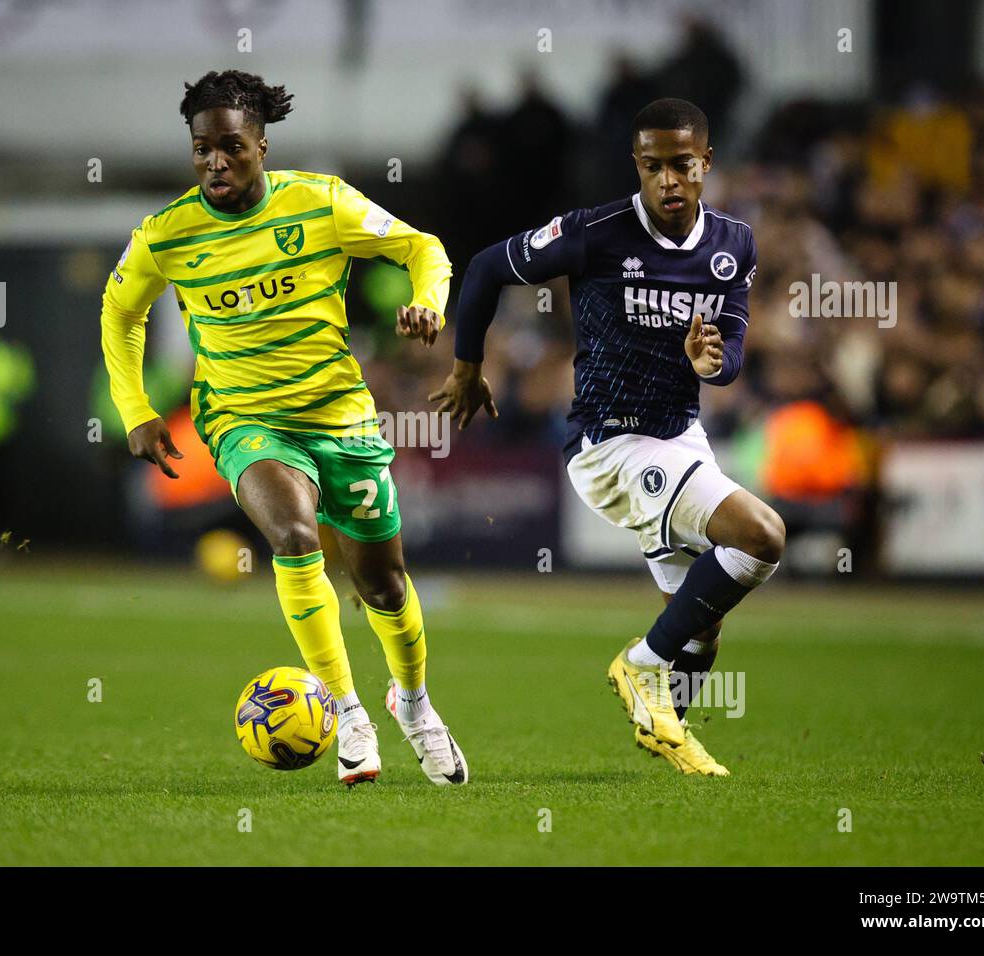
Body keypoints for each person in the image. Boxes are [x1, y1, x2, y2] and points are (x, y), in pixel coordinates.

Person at [100, 70, 466, 786]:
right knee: (295, 536)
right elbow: (120, 314)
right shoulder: (166, 235)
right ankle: (349, 710)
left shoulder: (321, 203)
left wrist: (428, 300)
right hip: (243, 418)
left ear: (261, 145)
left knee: (383, 584)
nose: (214, 162)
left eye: (230, 147)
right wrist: (136, 410)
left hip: (339, 416)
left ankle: (414, 704)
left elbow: (425, 246)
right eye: (202, 149)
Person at [433, 98, 785, 776]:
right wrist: (468, 366)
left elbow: (731, 349)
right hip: (612, 445)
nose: (668, 181)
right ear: (637, 165)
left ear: (706, 162)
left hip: (680, 438)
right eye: (653, 167)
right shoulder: (596, 231)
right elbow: (483, 268)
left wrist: (713, 361)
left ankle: (669, 729)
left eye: (683, 165)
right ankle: (642, 664)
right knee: (762, 537)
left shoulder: (733, 244)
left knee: (702, 624)